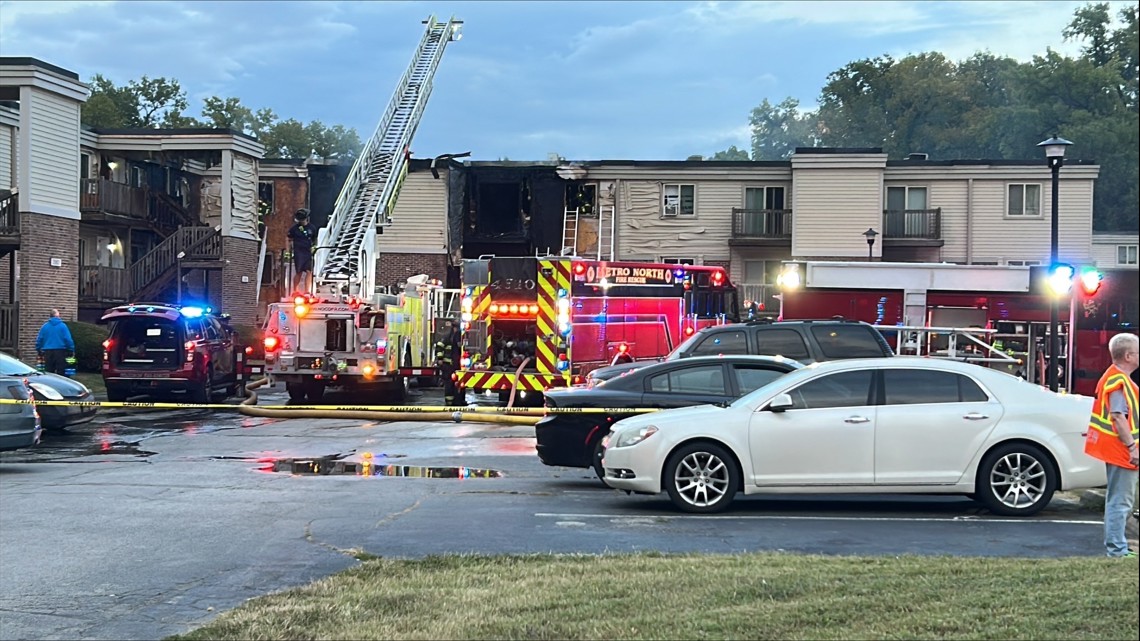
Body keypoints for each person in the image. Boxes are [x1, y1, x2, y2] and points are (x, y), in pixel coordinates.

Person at [1084, 332, 1139, 558]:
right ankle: (1117, 550)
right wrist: (1132, 448)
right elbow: (1118, 417)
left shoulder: (1117, 378)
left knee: (1118, 500)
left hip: (1118, 450)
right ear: (1128, 356)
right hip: (1121, 451)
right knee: (1120, 501)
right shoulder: (1118, 381)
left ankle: (1118, 547)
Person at [35, 309, 76, 376]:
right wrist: (71, 349)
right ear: (58, 316)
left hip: (47, 351)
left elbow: (40, 339)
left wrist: (38, 349)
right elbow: (68, 339)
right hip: (61, 351)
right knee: (61, 371)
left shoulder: (45, 326)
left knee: (48, 371)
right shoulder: (63, 326)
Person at [288, 208, 317, 294]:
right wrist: (288, 249)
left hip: (308, 252)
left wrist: (314, 248)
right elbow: (289, 238)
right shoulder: (294, 229)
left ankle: (307, 291)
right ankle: (295, 291)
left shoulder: (312, 228)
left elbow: (314, 239)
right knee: (299, 272)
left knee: (309, 271)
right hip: (298, 253)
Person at [435, 319, 462, 405]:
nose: (456, 330)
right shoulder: (448, 338)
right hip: (448, 366)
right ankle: (449, 403)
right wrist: (440, 359)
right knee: (449, 385)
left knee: (457, 385)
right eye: (455, 328)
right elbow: (439, 346)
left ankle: (457, 402)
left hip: (456, 366)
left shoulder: (458, 337)